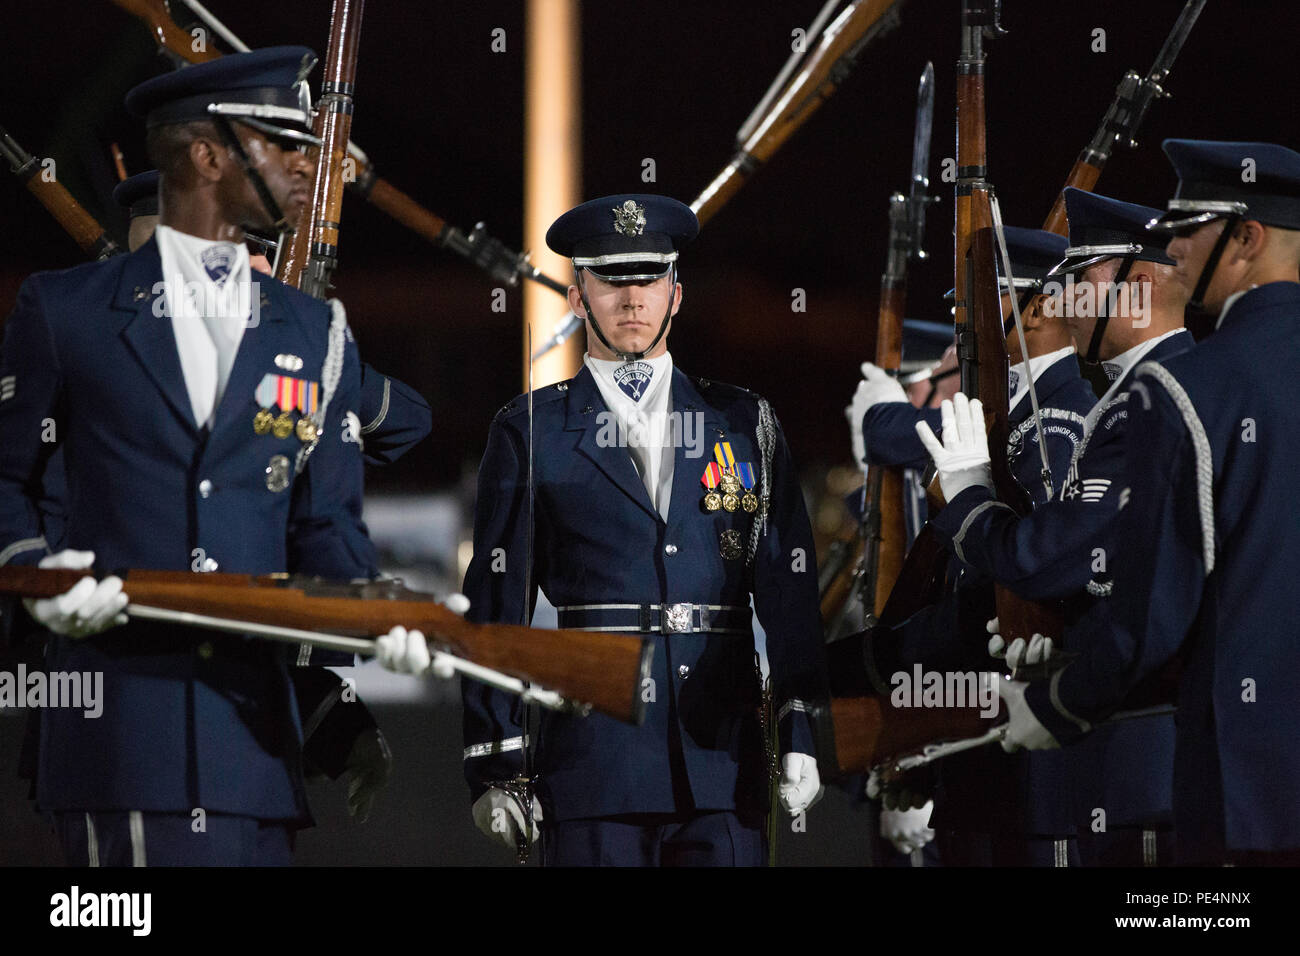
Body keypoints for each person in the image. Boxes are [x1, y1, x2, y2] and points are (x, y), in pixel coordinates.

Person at [0, 46, 414, 865]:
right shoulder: (67, 311)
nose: (309, 166)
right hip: (121, 734)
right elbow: (9, 481)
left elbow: (326, 526)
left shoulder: (315, 331)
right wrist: (40, 579)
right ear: (207, 153)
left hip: (254, 753)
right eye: (282, 144)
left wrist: (379, 614)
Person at [450, 194, 828, 865]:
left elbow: (789, 596)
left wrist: (802, 725)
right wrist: (497, 762)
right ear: (576, 296)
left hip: (725, 760)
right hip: (595, 763)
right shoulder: (531, 429)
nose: (632, 300)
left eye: (649, 279)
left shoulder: (745, 422)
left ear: (677, 294)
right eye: (611, 280)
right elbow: (495, 608)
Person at [1003, 140, 1300, 865]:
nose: (1171, 245)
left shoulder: (1192, 389)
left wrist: (1060, 701)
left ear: (1246, 239)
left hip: (1248, 785)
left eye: (1189, 227)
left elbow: (1153, 611)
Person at [919, 190, 1195, 865]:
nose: (1063, 297)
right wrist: (1062, 634)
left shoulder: (1158, 398)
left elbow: (1050, 557)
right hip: (1122, 743)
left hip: (1151, 747)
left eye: (1078, 277)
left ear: (1137, 283)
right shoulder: (1138, 395)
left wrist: (968, 497)